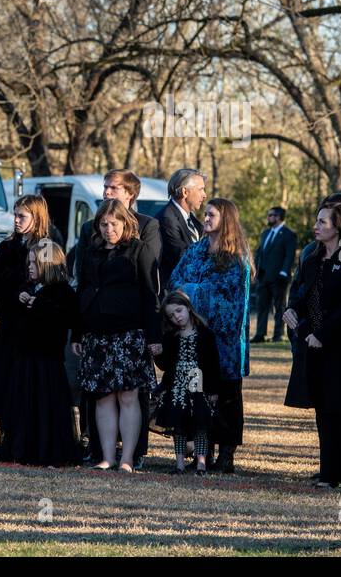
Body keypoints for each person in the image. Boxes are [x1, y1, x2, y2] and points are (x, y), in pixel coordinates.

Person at [283, 201, 341, 488]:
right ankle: (329, 472)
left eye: (323, 222)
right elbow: (305, 292)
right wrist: (294, 311)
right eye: (317, 220)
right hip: (313, 344)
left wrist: (322, 334)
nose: (316, 225)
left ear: (338, 227)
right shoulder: (313, 257)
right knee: (324, 408)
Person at [72, 169, 162, 466]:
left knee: (128, 396)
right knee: (102, 397)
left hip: (129, 333)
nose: (109, 229)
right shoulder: (91, 252)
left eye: (114, 224)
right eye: (104, 224)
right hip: (96, 333)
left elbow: (150, 294)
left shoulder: (138, 250)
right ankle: (107, 457)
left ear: (126, 223)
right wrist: (77, 333)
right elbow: (82, 291)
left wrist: (154, 337)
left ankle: (127, 458)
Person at [167, 196, 252, 473]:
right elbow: (174, 283)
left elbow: (232, 304)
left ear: (225, 220)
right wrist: (194, 292)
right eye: (205, 214)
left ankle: (226, 454)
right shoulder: (194, 251)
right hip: (196, 339)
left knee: (226, 397)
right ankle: (202, 453)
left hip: (225, 343)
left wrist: (194, 292)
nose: (205, 218)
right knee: (198, 396)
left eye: (212, 215)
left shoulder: (236, 260)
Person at [0, 194, 51, 457]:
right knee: (7, 382)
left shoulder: (46, 246)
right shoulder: (7, 246)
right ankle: (9, 443)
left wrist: (30, 294)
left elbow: (52, 279)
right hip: (10, 322)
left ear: (36, 217)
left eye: (23, 216)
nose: (17, 221)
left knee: (29, 383)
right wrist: (13, 293)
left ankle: (30, 442)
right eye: (15, 215)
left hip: (35, 325)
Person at [0, 239, 81, 466]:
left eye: (35, 263)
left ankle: (47, 449)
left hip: (48, 359)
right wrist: (22, 300)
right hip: (25, 356)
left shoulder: (61, 292)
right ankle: (21, 447)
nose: (30, 267)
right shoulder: (28, 288)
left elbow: (68, 317)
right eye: (29, 263)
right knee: (24, 403)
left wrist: (39, 305)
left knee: (47, 405)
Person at [153, 291, 221, 475]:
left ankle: (201, 463)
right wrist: (158, 354)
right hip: (176, 387)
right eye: (172, 315)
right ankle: (180, 464)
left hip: (198, 385)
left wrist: (213, 389)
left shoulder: (205, 334)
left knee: (200, 425)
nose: (177, 317)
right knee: (178, 426)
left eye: (179, 310)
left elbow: (213, 364)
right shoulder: (171, 336)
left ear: (188, 308)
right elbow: (166, 365)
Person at [251, 207, 297, 343]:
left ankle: (278, 335)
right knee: (262, 306)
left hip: (279, 277)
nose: (268, 217)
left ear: (278, 217)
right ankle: (260, 334)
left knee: (280, 307)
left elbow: (290, 255)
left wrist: (283, 272)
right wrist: (255, 269)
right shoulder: (265, 233)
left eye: (271, 215)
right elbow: (260, 252)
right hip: (263, 277)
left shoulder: (289, 234)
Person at [158, 167, 206, 286]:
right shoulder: (167, 219)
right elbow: (183, 257)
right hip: (174, 295)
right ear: (185, 192)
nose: (204, 195)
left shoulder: (192, 219)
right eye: (201, 190)